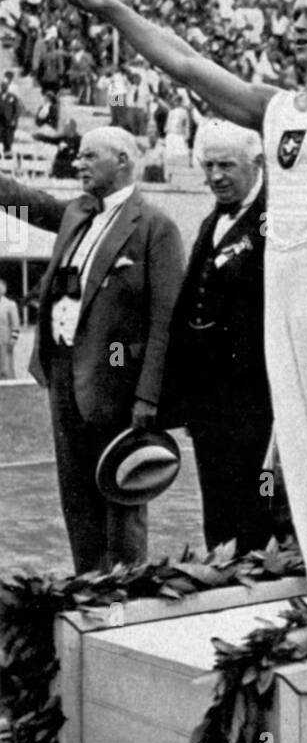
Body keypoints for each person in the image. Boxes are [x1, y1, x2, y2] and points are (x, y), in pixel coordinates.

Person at [35, 0, 307, 613]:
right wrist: (111, 9)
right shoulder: (276, 109)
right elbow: (185, 63)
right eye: (293, 12)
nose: (297, 24)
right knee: (297, 446)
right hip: (284, 287)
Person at [0, 128, 184, 573]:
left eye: (88, 156)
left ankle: (123, 595)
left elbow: (165, 323)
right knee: (76, 494)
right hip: (62, 373)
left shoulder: (156, 227)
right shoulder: (76, 213)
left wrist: (148, 396)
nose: (77, 163)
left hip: (118, 379)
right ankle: (88, 585)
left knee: (121, 495)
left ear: (122, 160)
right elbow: (23, 203)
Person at [161, 119, 273, 555]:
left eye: (226, 165)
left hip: (256, 393)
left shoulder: (273, 219)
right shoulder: (213, 219)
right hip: (211, 397)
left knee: (258, 492)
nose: (215, 176)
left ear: (257, 163)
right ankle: (221, 567)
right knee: (216, 492)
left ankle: (255, 575)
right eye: (208, 166)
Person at [0, 277, 21, 379]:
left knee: (6, 367)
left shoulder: (10, 305)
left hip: (5, 340)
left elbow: (15, 324)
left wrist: (13, 338)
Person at [0, 71, 20, 157]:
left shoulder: (12, 97)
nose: (3, 87)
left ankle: (7, 154)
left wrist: (14, 119)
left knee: (8, 138)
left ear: (7, 87)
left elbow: (17, 110)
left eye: (5, 85)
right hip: (0, 121)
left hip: (9, 120)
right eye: (2, 86)